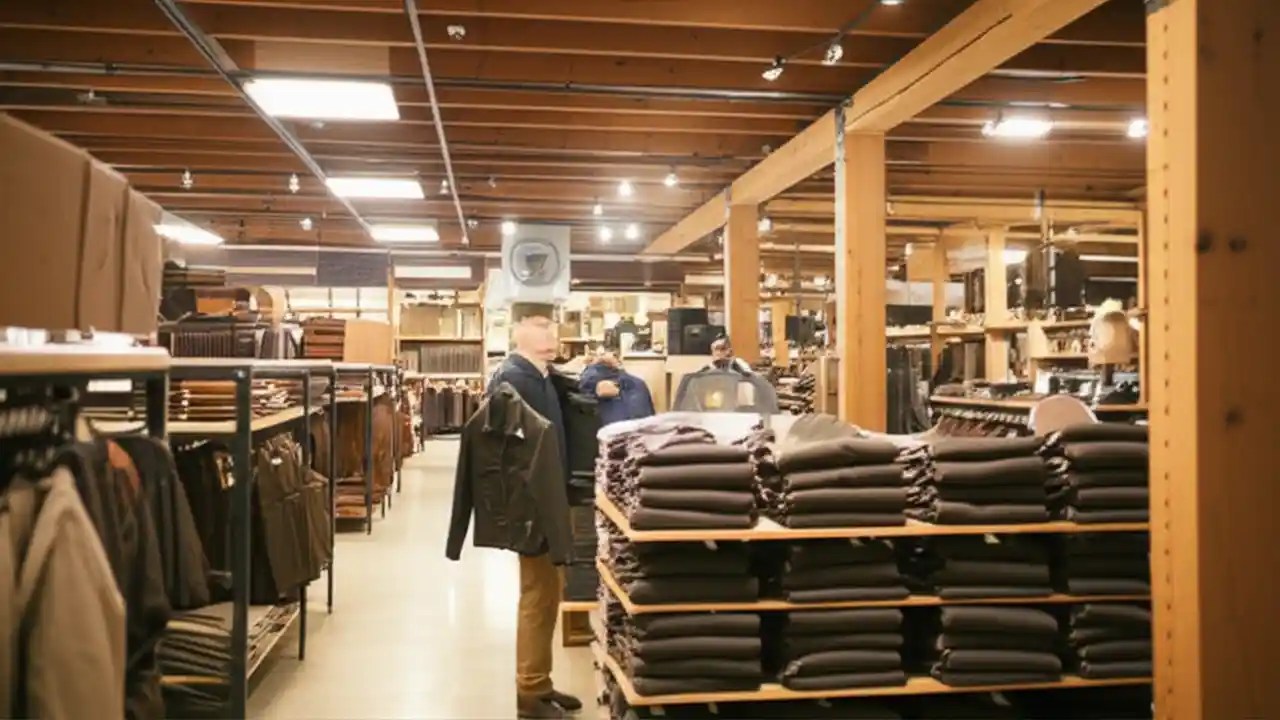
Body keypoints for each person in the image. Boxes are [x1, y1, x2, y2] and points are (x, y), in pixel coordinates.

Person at [486, 302, 581, 719]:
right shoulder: (513, 380)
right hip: (534, 504)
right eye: (540, 326)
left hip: (551, 498)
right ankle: (529, 696)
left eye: (553, 326)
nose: (551, 335)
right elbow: (506, 455)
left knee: (549, 594)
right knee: (538, 595)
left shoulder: (539, 376)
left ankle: (540, 683)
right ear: (517, 329)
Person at [578, 348, 655, 426]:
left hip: (631, 425)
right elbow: (600, 387)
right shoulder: (595, 375)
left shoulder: (632, 382)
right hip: (630, 427)